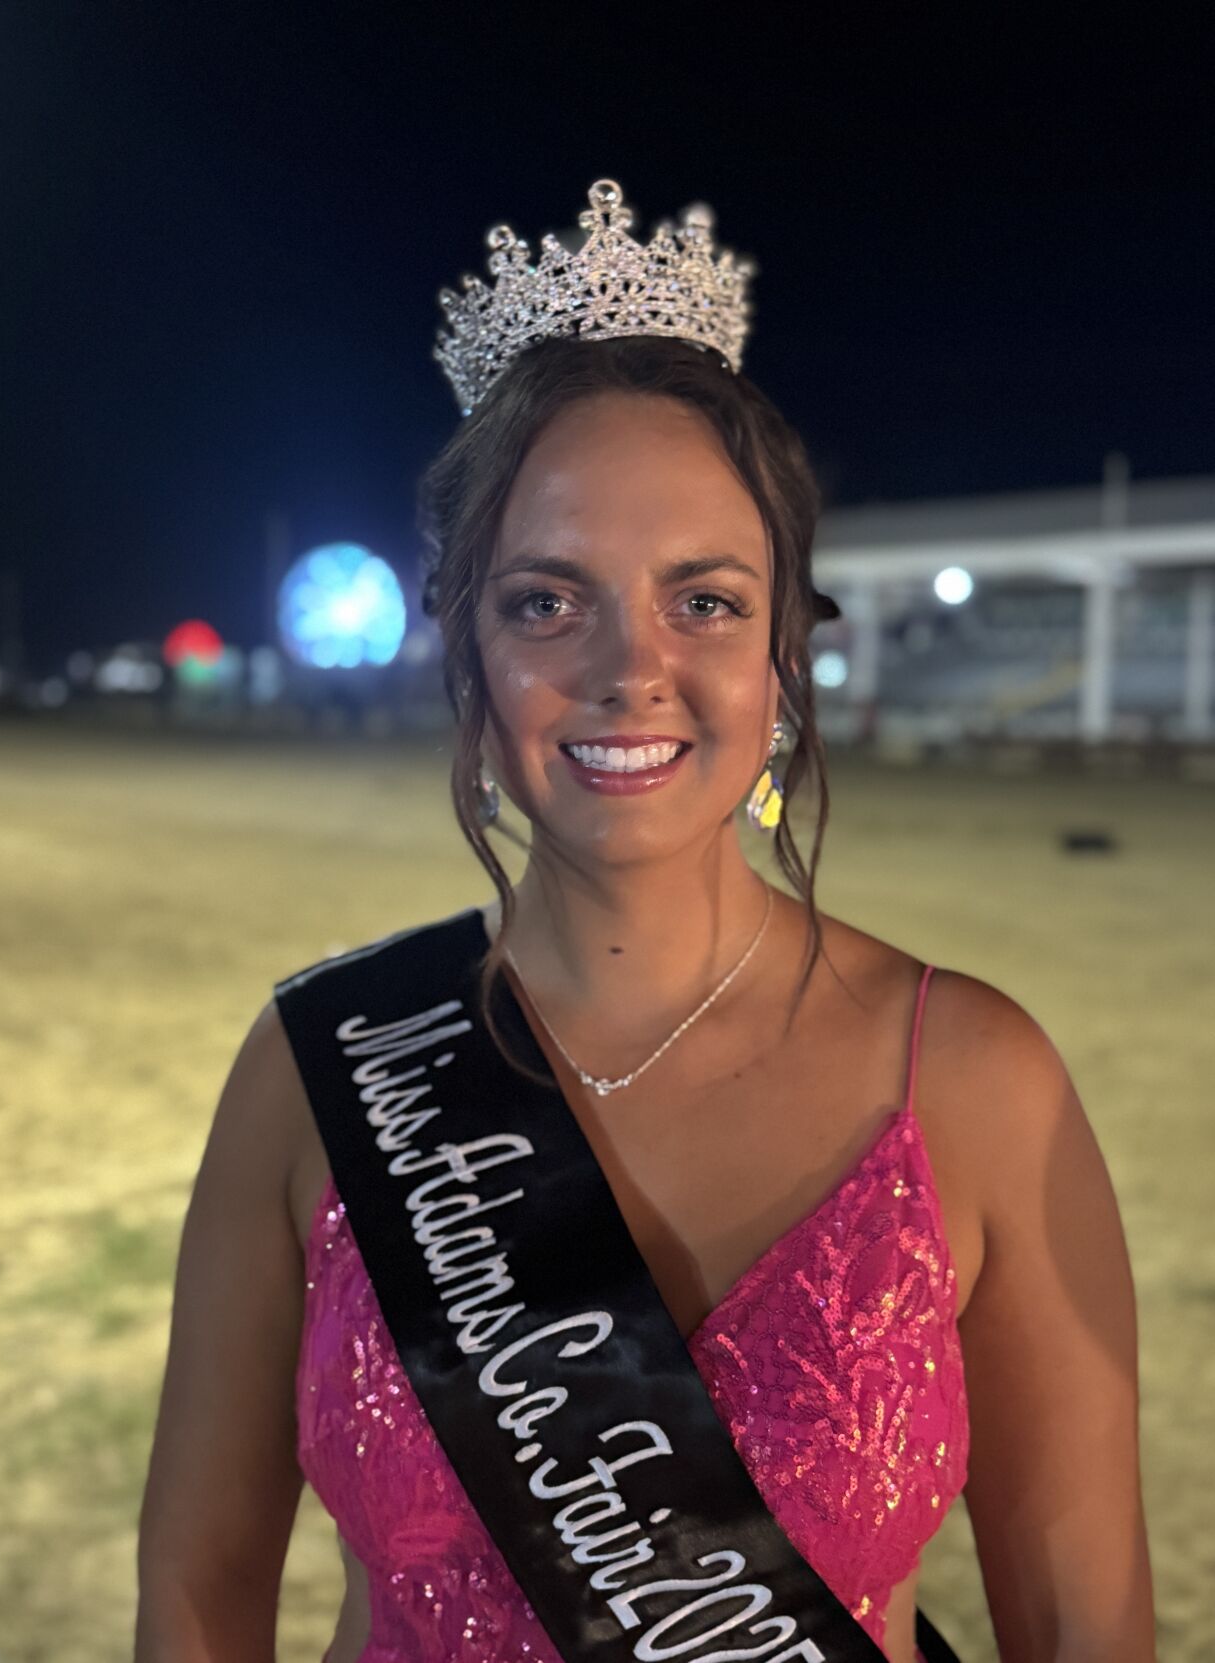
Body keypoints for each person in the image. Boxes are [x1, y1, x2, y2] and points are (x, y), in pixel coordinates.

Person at [135, 180, 1155, 1663]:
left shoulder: (979, 1085)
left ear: (785, 647)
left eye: (707, 602)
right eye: (547, 603)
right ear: (464, 646)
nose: (633, 670)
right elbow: (197, 1595)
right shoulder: (317, 1072)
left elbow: (1084, 1629)